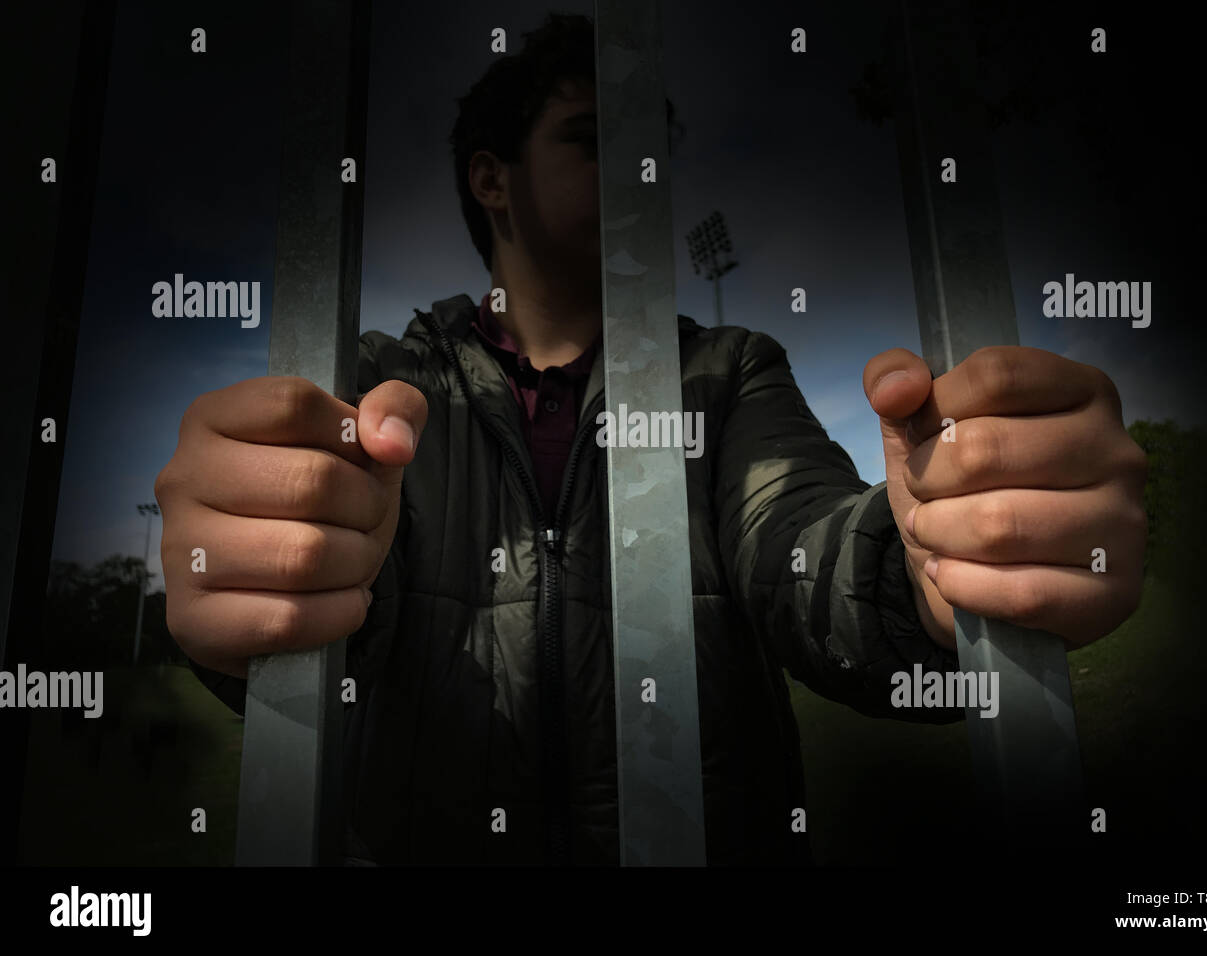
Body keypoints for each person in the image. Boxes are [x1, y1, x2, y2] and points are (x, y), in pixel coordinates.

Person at [154, 13, 1147, 865]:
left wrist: (920, 556)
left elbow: (796, 539)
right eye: (593, 140)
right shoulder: (386, 380)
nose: (641, 172)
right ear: (491, 180)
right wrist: (257, 571)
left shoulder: (727, 369)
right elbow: (326, 595)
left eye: (652, 151)